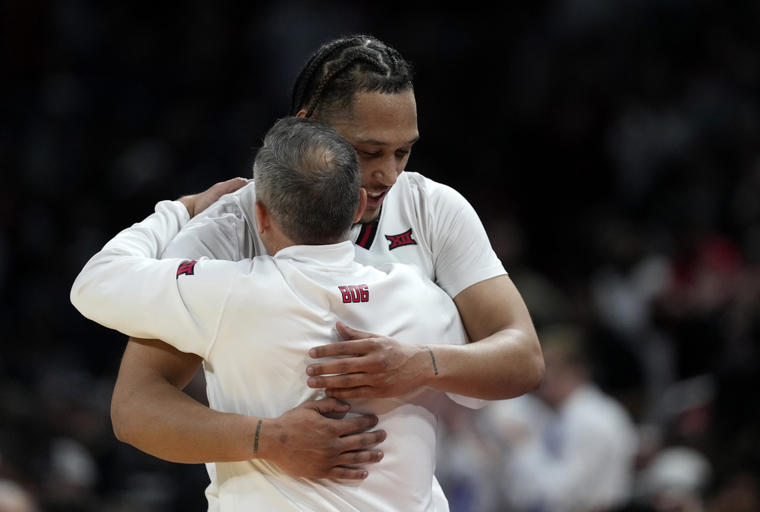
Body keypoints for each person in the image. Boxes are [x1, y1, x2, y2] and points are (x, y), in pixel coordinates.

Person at [108, 33, 543, 484]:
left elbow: (523, 358)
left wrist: (421, 365)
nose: (389, 174)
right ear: (306, 128)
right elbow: (136, 408)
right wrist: (267, 438)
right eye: (368, 152)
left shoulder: (433, 208)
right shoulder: (231, 223)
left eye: (403, 151)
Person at [72, 116, 484, 511]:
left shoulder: (228, 292)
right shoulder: (425, 299)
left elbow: (94, 283)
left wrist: (182, 209)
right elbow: (481, 391)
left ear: (262, 215)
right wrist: (421, 365)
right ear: (358, 205)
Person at [479, 324, 638, 512]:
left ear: (576, 370)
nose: (539, 374)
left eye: (550, 366)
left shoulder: (595, 420)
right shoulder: (556, 415)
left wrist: (523, 445)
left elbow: (559, 497)